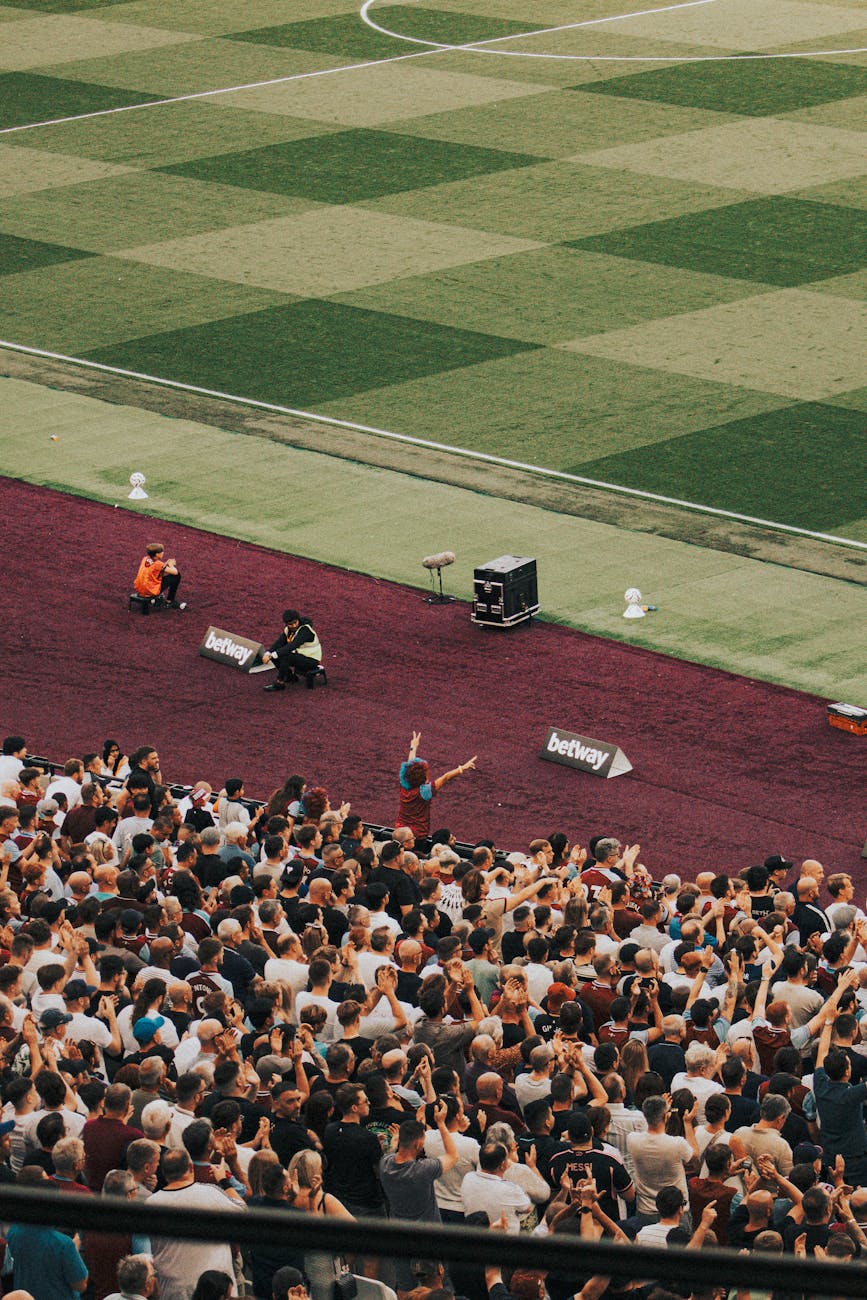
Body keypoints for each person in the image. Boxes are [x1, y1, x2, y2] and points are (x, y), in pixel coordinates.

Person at [395, 731, 477, 839]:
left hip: (400, 831)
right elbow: (445, 777)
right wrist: (462, 768)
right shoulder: (424, 791)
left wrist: (413, 747)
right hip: (417, 835)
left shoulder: (403, 786)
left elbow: (410, 767)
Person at [263, 610, 322, 692]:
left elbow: (293, 645)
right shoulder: (288, 630)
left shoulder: (305, 630)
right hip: (300, 656)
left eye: (295, 622)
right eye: (290, 624)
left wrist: (273, 654)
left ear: (298, 619)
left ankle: (280, 683)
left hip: (311, 660)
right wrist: (268, 653)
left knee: (285, 655)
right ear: (286, 624)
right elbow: (279, 643)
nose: (294, 625)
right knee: (277, 654)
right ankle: (290, 677)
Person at [133, 543, 185, 609]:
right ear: (157, 554)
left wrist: (166, 564)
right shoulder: (158, 564)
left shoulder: (145, 559)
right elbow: (175, 572)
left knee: (159, 577)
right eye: (161, 552)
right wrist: (171, 565)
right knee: (177, 576)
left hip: (140, 588)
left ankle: (158, 598)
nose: (163, 553)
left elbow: (157, 569)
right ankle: (170, 601)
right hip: (149, 590)